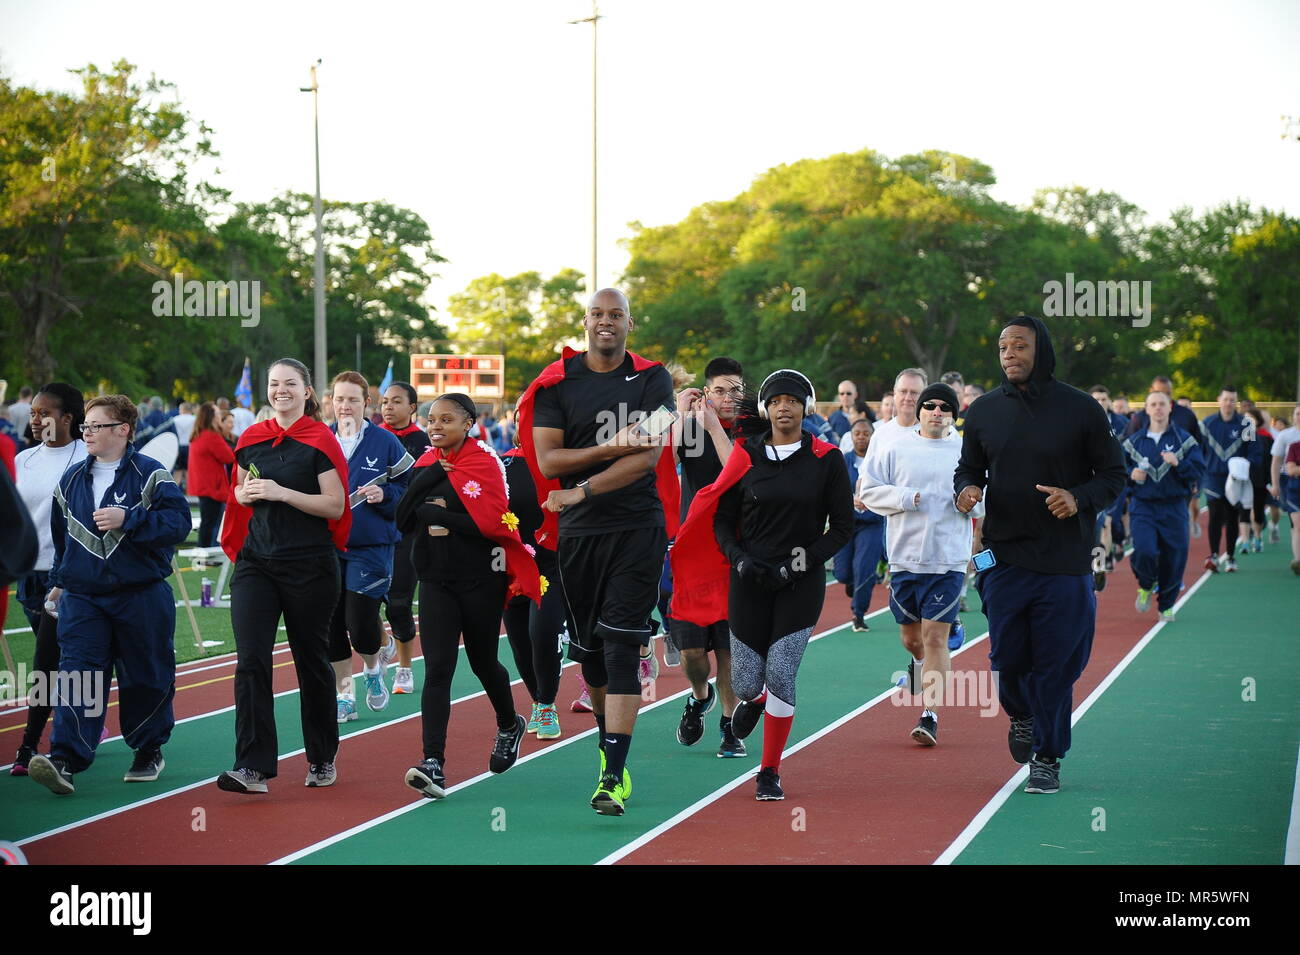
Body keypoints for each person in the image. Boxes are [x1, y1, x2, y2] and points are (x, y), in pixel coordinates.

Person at [518, 287, 679, 816]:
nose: (606, 323)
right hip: (579, 536)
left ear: (630, 323)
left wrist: (584, 487)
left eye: (616, 315)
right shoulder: (557, 382)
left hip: (637, 526)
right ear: (584, 322)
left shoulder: (652, 377)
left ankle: (613, 773)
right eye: (597, 315)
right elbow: (547, 462)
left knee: (621, 643)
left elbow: (648, 454)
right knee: (590, 656)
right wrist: (614, 445)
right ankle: (609, 748)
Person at [955, 317, 1125, 795]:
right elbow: (968, 467)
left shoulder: (1082, 409)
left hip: (1065, 563)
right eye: (1003, 346)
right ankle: (1022, 715)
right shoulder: (984, 411)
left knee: (1054, 667)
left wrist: (1078, 497)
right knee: (1007, 663)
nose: (1009, 353)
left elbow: (1114, 474)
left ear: (1041, 349)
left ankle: (1048, 757)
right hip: (1000, 560)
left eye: (1020, 345)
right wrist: (966, 487)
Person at [672, 369, 852, 801]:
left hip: (800, 582)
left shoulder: (827, 458)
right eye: (776, 401)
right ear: (765, 409)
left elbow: (842, 527)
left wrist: (800, 562)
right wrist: (739, 560)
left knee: (783, 673)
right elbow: (720, 519)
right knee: (749, 684)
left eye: (792, 400)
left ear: (806, 407)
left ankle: (768, 770)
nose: (784, 407)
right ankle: (752, 703)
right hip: (749, 579)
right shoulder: (745, 454)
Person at [27, 395, 191, 795]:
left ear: (123, 430)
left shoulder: (151, 474)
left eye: (96, 426)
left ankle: (148, 749)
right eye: (85, 427)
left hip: (142, 595)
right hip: (84, 597)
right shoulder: (69, 481)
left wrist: (129, 519)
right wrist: (60, 583)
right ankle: (65, 759)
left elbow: (179, 524)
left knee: (146, 676)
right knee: (77, 675)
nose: (87, 433)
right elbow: (62, 540)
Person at [216, 358, 349, 794]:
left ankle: (321, 757)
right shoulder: (251, 437)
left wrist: (280, 492)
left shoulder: (319, 438)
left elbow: (335, 506)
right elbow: (238, 489)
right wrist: (245, 492)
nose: (281, 391)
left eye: (290, 383)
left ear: (307, 391)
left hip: (310, 565)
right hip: (257, 562)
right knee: (251, 661)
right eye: (274, 384)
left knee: (311, 663)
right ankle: (252, 767)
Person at [397, 394, 539, 798]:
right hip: (437, 580)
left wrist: (439, 516)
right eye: (431, 419)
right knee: (438, 669)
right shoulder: (425, 464)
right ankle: (433, 763)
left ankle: (510, 723)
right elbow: (403, 519)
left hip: (481, 578)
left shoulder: (485, 462)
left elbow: (494, 523)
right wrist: (425, 481)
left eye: (446, 419)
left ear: (469, 423)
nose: (435, 426)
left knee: (482, 661)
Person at [862, 382, 979, 745]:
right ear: (920, 409)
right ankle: (916, 668)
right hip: (904, 558)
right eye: (930, 405)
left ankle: (930, 715)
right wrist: (905, 497)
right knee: (912, 639)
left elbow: (984, 498)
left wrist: (970, 502)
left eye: (945, 407)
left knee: (934, 637)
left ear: (954, 415)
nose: (936, 412)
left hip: (948, 559)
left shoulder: (966, 450)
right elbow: (867, 491)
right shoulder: (894, 443)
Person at [668, 357, 746, 756]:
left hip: (733, 553)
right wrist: (682, 414)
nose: (729, 397)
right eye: (720, 390)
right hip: (691, 552)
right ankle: (700, 695)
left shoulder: (752, 430)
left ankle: (730, 727)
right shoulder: (691, 427)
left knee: (730, 649)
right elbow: (668, 464)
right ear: (707, 393)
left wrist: (716, 426)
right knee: (692, 654)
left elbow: (739, 470)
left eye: (736, 390)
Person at [327, 372, 414, 722]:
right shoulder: (320, 440)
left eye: (352, 399)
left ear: (366, 403)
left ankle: (374, 668)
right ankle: (344, 694)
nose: (344, 406)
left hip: (372, 546)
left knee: (360, 623)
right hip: (327, 547)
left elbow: (408, 492)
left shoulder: (386, 442)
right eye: (339, 399)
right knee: (332, 625)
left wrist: (386, 495)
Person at [11, 384, 88, 775]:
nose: (35, 419)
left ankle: (29, 746)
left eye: (44, 412)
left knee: (47, 662)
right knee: (55, 665)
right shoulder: (23, 459)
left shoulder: (85, 458)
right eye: (33, 412)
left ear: (67, 419)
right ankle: (83, 721)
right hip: (29, 575)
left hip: (68, 577)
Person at [502, 434, 566, 740]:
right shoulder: (501, 464)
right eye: (518, 416)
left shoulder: (562, 461)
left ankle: (547, 704)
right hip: (511, 566)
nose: (523, 423)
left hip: (552, 563)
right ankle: (538, 699)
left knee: (542, 631)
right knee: (518, 641)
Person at [1123, 392, 1204, 622]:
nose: (1158, 408)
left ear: (1170, 408)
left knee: (1174, 557)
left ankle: (1166, 606)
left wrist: (1178, 463)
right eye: (1153, 404)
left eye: (1162, 404)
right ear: (1146, 409)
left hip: (1175, 506)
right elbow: (1118, 472)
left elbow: (1198, 472)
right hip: (1143, 506)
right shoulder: (1133, 442)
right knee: (1144, 551)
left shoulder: (1185, 440)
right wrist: (1131, 474)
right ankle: (1147, 584)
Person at [379, 381, 433, 694]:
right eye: (385, 401)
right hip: (372, 532)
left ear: (412, 407)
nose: (388, 407)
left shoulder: (421, 441)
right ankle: (384, 643)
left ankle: (404, 667)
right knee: (360, 602)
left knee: (398, 603)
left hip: (405, 533)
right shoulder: (371, 437)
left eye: (396, 401)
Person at [836, 418, 885, 632]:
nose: (862, 437)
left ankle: (859, 614)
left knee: (864, 569)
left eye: (866, 433)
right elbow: (833, 490)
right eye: (858, 433)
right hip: (847, 522)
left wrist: (871, 501)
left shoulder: (880, 462)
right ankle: (851, 582)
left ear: (873, 437)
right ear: (851, 436)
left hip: (872, 523)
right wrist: (849, 500)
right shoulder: (842, 460)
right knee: (843, 572)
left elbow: (888, 490)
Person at [1199, 387, 1254, 573]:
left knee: (1232, 516)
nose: (1229, 403)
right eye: (1226, 399)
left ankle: (1230, 556)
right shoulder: (1207, 424)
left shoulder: (1246, 424)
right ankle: (1214, 554)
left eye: (1232, 400)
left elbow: (1254, 452)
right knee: (1214, 515)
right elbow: (1199, 451)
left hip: (1236, 480)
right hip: (1213, 477)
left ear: (1236, 402)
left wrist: (1247, 467)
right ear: (1219, 400)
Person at [187, 402, 236, 548]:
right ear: (211, 416)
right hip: (212, 486)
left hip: (203, 484)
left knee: (207, 521)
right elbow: (229, 457)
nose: (219, 415)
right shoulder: (211, 436)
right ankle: (207, 551)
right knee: (212, 522)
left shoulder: (199, 434)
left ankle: (204, 549)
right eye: (217, 413)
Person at [1269, 405, 1300, 573]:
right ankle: (1298, 560)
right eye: (1297, 414)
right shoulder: (1286, 436)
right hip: (1290, 481)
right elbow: (1277, 462)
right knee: (1296, 522)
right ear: (1293, 416)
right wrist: (1275, 484)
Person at [171, 402, 196, 489]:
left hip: (178, 447)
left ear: (182, 409)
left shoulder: (174, 419)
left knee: (177, 472)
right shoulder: (195, 419)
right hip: (190, 446)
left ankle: (174, 493)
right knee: (189, 472)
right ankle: (191, 495)